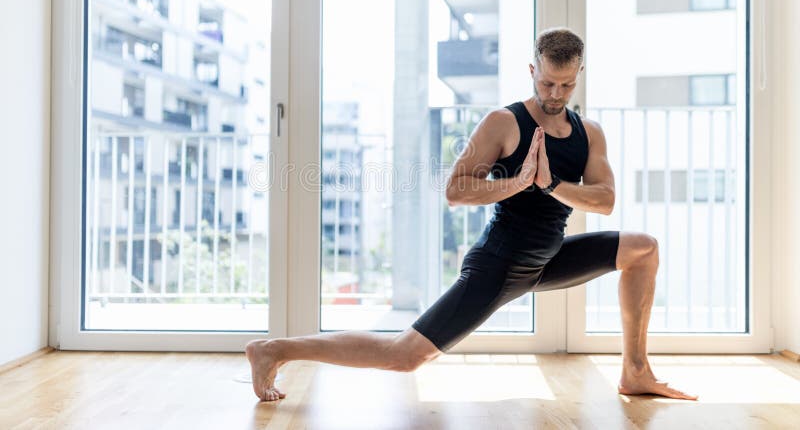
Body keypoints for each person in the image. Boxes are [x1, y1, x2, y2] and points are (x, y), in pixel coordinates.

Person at [245, 28, 698, 402]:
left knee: (643, 249)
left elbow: (605, 200)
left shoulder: (588, 133)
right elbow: (456, 190)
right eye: (546, 83)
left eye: (566, 84)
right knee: (404, 355)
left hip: (548, 258)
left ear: (579, 75)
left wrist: (552, 184)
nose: (555, 93)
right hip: (500, 263)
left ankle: (635, 372)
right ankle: (275, 349)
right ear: (532, 71)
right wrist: (518, 182)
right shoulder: (504, 123)